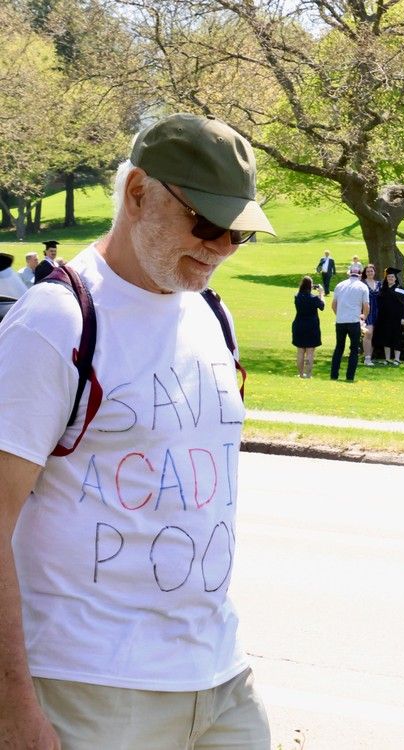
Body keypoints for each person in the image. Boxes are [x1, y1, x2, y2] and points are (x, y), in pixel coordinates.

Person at [0, 112, 275, 750]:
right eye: (205, 223)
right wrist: (15, 711)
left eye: (238, 234)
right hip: (89, 685)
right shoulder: (56, 322)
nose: (220, 247)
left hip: (219, 676)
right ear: (137, 193)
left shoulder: (212, 312)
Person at [330, 266, 370, 381]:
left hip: (340, 321)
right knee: (354, 349)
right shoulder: (363, 287)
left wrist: (339, 314)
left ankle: (334, 375)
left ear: (349, 274)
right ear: (360, 275)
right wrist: (364, 317)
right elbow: (366, 306)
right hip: (354, 321)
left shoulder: (340, 285)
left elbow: (333, 305)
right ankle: (350, 376)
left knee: (339, 347)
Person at [372, 267, 404, 365]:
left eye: (392, 277)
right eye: (388, 277)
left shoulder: (400, 290)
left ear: (395, 278)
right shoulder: (383, 289)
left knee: (396, 337)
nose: (390, 278)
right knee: (386, 337)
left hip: (397, 318)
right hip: (384, 318)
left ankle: (397, 359)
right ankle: (387, 359)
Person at [292, 275, 324, 378]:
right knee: (310, 352)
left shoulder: (297, 296)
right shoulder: (313, 298)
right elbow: (322, 306)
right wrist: (321, 293)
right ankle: (308, 374)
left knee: (300, 351)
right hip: (311, 326)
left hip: (299, 325)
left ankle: (301, 374)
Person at [360, 263, 379, 367]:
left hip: (378, 311)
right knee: (368, 333)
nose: (370, 273)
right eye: (368, 271)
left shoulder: (379, 284)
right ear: (365, 273)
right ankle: (367, 358)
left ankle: (369, 357)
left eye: (371, 271)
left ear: (374, 272)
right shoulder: (362, 284)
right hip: (367, 311)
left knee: (374, 335)